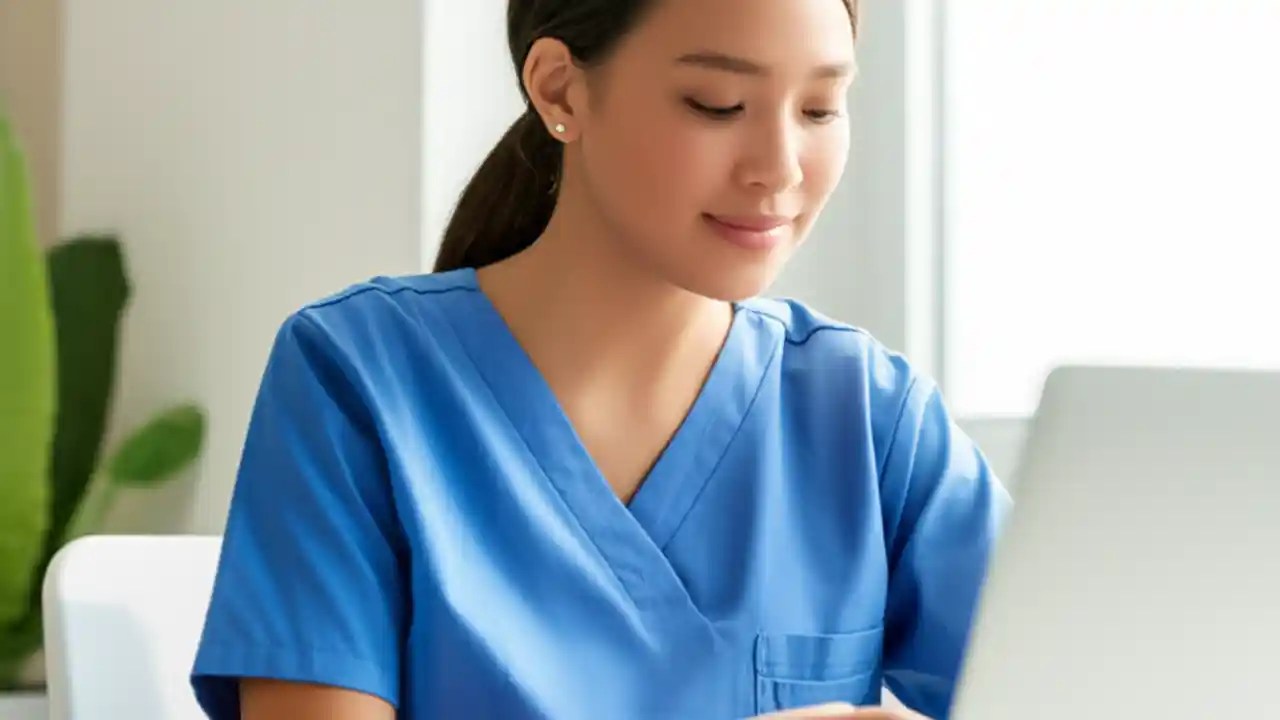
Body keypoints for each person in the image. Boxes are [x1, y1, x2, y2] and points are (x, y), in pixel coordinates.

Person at [189, 0, 1010, 717]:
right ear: (559, 88)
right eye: (717, 103)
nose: (779, 169)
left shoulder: (867, 416)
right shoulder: (358, 380)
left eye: (821, 109)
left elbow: (1085, 684)